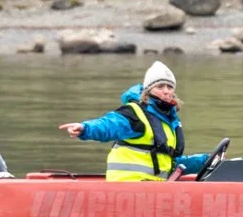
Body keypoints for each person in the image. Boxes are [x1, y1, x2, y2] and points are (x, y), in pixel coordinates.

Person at [58, 61, 213, 181]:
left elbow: (170, 162)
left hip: (154, 187)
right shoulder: (135, 113)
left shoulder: (168, 120)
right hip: (128, 188)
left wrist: (206, 161)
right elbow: (109, 125)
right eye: (160, 86)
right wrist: (85, 128)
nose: (166, 91)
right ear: (148, 90)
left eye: (170, 87)